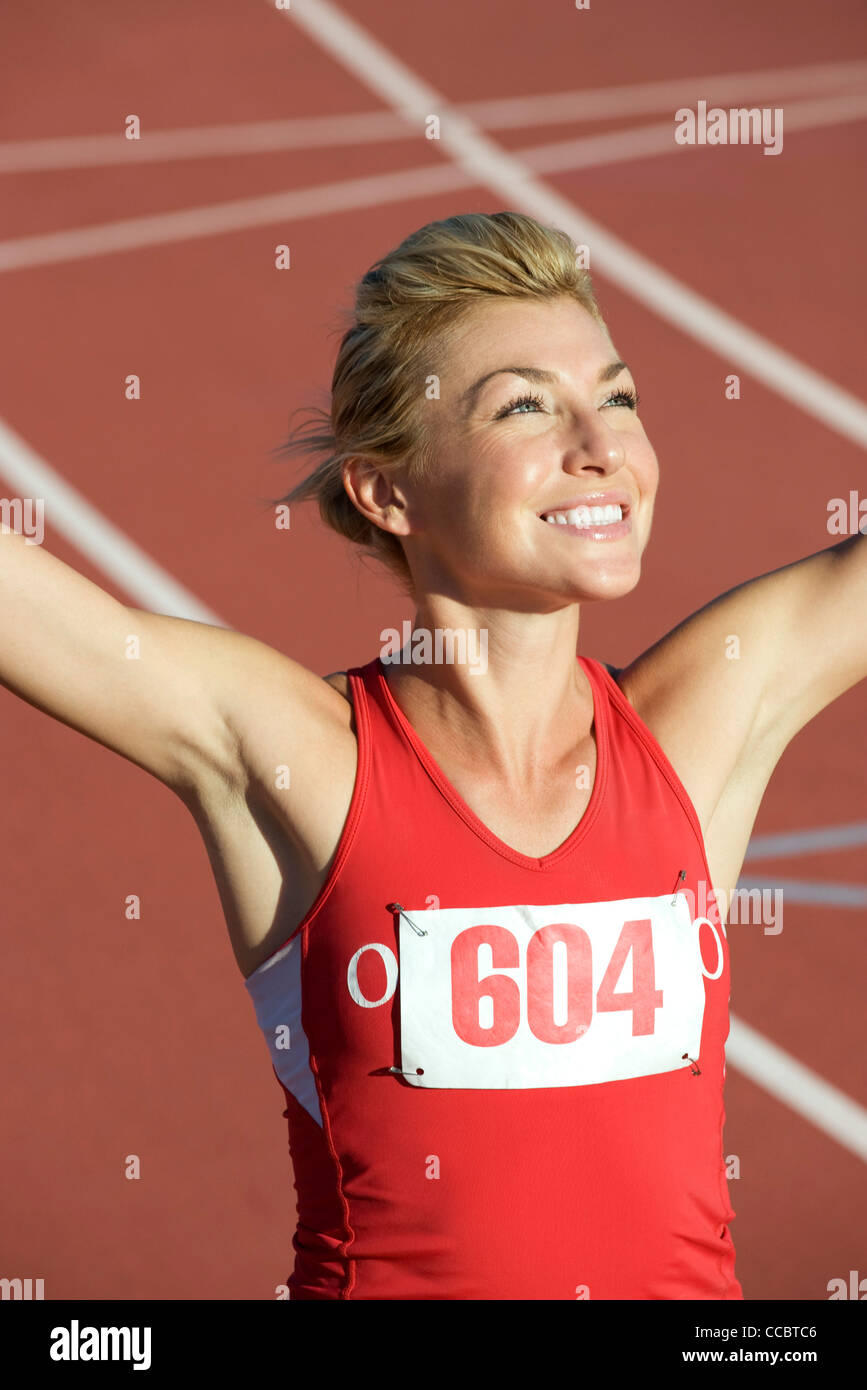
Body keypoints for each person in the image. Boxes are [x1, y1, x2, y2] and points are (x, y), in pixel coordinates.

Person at [2, 211, 864, 1301]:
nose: (601, 446)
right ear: (385, 488)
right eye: (524, 406)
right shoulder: (310, 764)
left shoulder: (699, 725)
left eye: (619, 397)